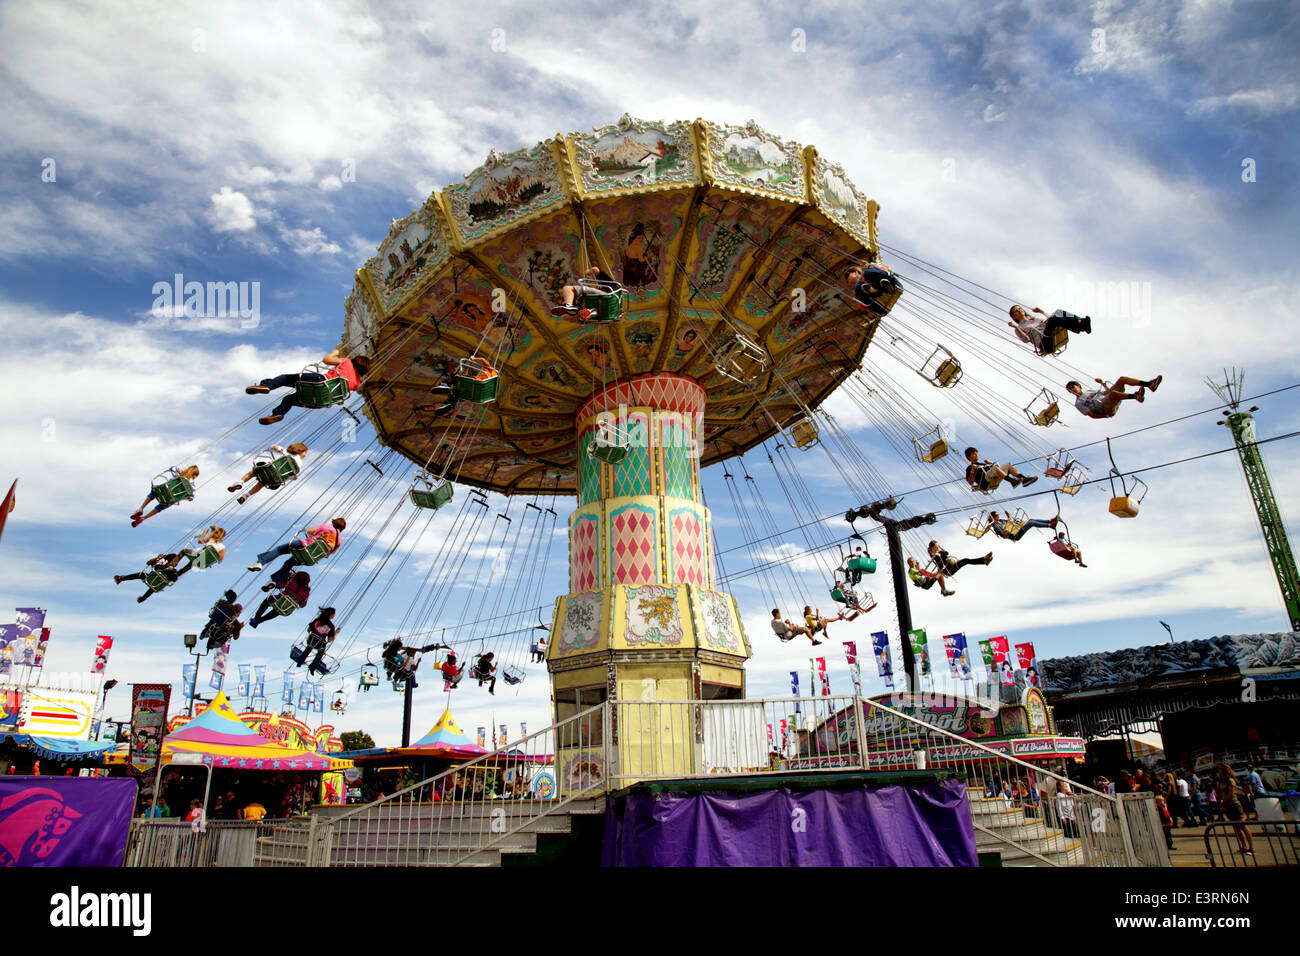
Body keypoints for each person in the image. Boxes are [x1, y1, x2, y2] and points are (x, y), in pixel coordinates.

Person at [246, 348, 371, 425]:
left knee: (285, 378)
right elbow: (342, 397)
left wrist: (335, 353)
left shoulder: (347, 361)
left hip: (320, 382)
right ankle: (277, 414)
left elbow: (326, 360)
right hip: (321, 401)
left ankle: (267, 386)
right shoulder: (357, 383)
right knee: (289, 399)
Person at [248, 517, 346, 585]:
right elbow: (327, 554)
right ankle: (274, 581)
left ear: (334, 523)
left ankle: (260, 562)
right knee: (288, 563)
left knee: (280, 550)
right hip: (311, 559)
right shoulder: (339, 541)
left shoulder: (327, 527)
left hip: (305, 546)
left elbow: (310, 531)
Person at [227, 443, 309, 504]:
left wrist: (273, 447)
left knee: (253, 472)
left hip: (270, 469)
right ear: (300, 451)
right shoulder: (300, 465)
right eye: (305, 452)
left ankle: (240, 482)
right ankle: (246, 496)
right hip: (276, 479)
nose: (305, 455)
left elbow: (274, 447)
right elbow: (294, 476)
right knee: (262, 483)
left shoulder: (288, 454)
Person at [130, 465, 200, 527]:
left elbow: (172, 468)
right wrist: (190, 497)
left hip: (164, 490)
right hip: (170, 499)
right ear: (194, 475)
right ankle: (143, 518)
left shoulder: (180, 473)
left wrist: (178, 471)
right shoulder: (192, 486)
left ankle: (141, 508)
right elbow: (191, 497)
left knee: (154, 492)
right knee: (162, 506)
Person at [1066, 375, 1162, 420]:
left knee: (1121, 379)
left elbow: (1107, 392)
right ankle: (1136, 396)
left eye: (1073, 387)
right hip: (1103, 408)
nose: (1072, 390)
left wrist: (1102, 383)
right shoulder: (1078, 403)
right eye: (1070, 390)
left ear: (1078, 386)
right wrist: (1106, 416)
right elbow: (1092, 415)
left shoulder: (1089, 392)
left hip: (1108, 398)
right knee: (1114, 394)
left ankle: (1150, 384)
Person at [1007, 304, 1091, 354]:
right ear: (1014, 316)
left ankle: (1081, 322)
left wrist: (1041, 312)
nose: (1020, 310)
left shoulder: (1034, 319)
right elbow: (1026, 340)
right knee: (1053, 319)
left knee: (1059, 312)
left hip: (1050, 335)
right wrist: (1016, 327)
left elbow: (1050, 320)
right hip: (1044, 343)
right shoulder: (1020, 327)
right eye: (1016, 311)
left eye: (1020, 308)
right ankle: (1080, 326)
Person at [114, 552, 182, 603]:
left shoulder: (166, 567)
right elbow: (149, 563)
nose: (176, 564)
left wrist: (157, 559)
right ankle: (143, 597)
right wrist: (158, 558)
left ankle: (121, 578)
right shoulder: (168, 567)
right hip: (155, 580)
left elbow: (149, 563)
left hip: (153, 579)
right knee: (152, 585)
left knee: (144, 577)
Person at [553, 265, 620, 316]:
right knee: (565, 317)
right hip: (608, 307)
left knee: (567, 289)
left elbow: (595, 269)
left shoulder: (607, 282)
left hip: (607, 296)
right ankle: (584, 312)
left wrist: (588, 272)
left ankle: (569, 305)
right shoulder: (614, 289)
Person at [1216, 765, 1253, 855]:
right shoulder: (1221, 781)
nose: (1218, 772)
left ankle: (1251, 847)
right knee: (1236, 828)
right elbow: (1221, 793)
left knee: (1242, 826)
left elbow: (1231, 794)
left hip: (1234, 805)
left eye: (1220, 770)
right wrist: (1222, 803)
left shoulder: (1230, 781)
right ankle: (1243, 846)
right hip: (1227, 806)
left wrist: (1222, 801)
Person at [963, 446, 1037, 490]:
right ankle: (1012, 481)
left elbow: (998, 469)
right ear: (969, 457)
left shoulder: (983, 464)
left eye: (976, 453)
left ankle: (1024, 480)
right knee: (995, 468)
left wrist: (991, 463)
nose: (976, 455)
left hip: (993, 478)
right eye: (973, 454)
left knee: (1007, 465)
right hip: (985, 482)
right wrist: (973, 470)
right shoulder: (969, 468)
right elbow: (970, 482)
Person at [928, 540, 992, 577]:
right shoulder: (935, 556)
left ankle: (984, 561)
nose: (938, 546)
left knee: (966, 561)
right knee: (965, 560)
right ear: (933, 547)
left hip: (951, 566)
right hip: (948, 570)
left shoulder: (939, 552)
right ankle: (984, 560)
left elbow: (947, 553)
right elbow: (940, 566)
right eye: (937, 545)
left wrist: (940, 548)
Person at [987, 509, 1059, 542]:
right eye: (996, 515)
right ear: (993, 517)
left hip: (1016, 528)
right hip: (1015, 535)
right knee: (1031, 523)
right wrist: (1007, 533)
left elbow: (1010, 521)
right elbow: (1004, 536)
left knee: (1030, 520)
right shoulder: (996, 526)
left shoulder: (1001, 520)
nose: (998, 516)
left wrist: (1008, 515)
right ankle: (1050, 525)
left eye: (998, 515)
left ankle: (1050, 521)